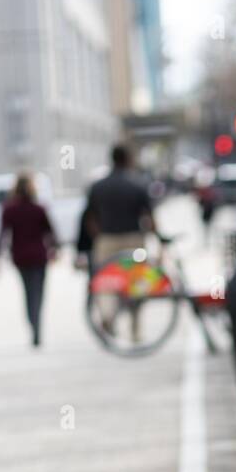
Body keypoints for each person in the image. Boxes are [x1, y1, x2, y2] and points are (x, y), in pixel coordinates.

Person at [85, 144, 157, 338]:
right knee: (137, 283)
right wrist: (157, 238)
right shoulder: (138, 184)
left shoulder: (98, 186)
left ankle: (108, 315)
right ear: (128, 159)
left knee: (106, 281)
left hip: (107, 239)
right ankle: (135, 329)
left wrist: (98, 236)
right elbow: (149, 218)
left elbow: (90, 217)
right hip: (133, 239)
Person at [0, 173, 57, 347]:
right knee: (38, 293)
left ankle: (33, 324)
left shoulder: (9, 209)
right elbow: (51, 232)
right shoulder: (39, 208)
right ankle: (37, 326)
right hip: (38, 256)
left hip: (20, 256)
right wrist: (55, 250)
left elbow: (1, 234)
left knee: (28, 293)